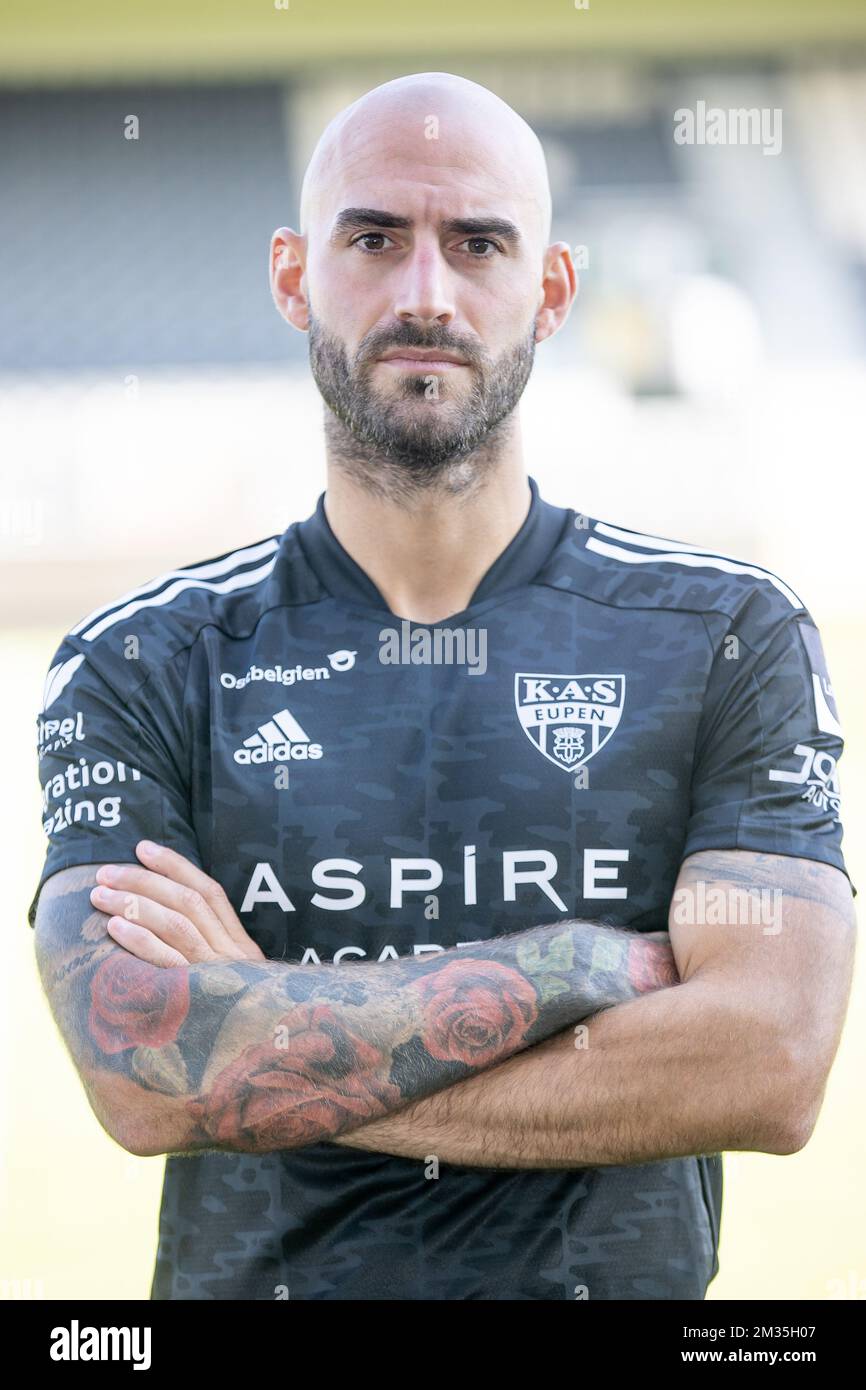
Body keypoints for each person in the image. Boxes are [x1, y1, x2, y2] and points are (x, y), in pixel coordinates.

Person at [30, 72, 855, 1302]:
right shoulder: (144, 661)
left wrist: (254, 1026)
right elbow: (144, 1072)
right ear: (292, 274)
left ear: (552, 289)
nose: (425, 293)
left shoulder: (725, 633)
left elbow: (767, 1065)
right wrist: (584, 965)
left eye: (478, 244)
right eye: (372, 238)